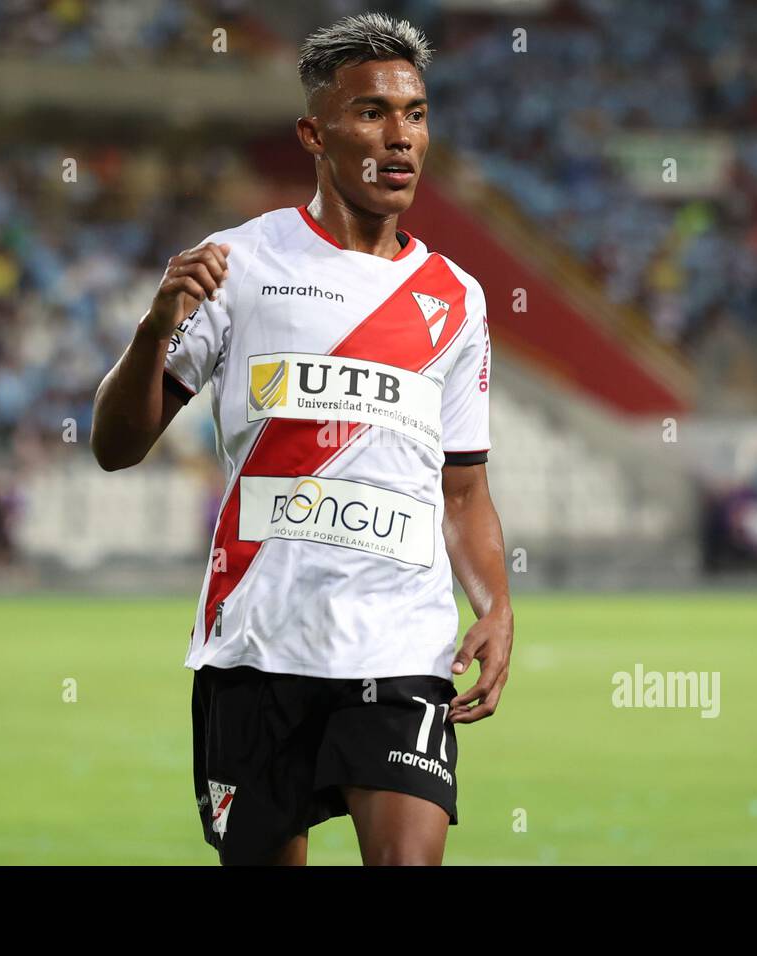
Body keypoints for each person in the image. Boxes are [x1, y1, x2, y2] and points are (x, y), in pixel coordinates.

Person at [91, 13, 513, 866]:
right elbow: (115, 444)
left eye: (417, 113)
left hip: (401, 648)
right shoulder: (236, 265)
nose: (400, 138)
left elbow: (461, 491)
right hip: (259, 643)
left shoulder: (456, 299)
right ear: (313, 133)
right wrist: (154, 326)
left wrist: (496, 604)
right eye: (371, 113)